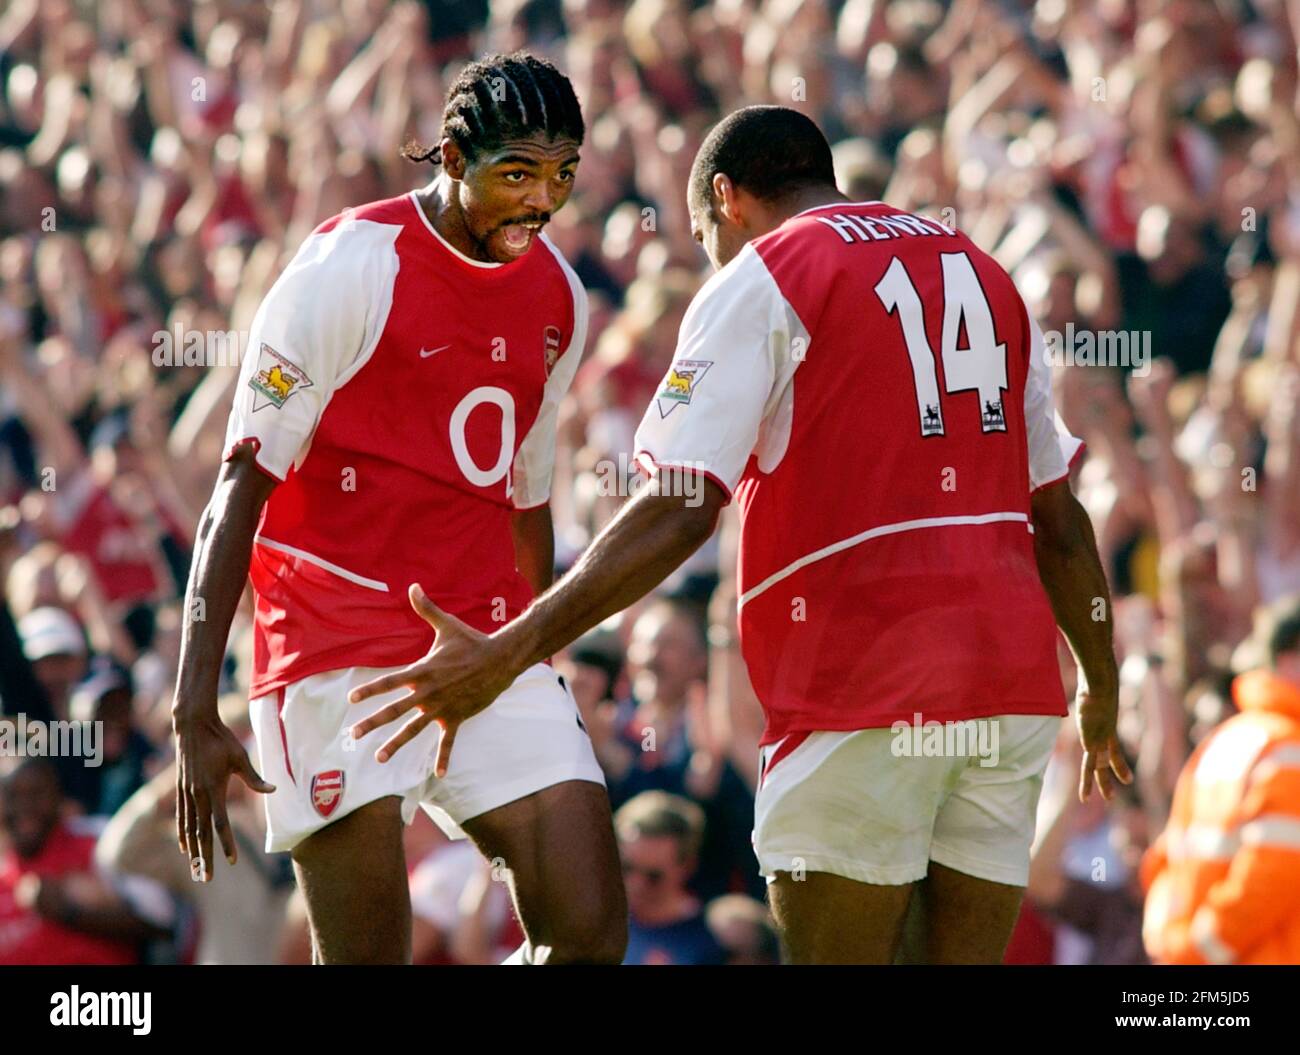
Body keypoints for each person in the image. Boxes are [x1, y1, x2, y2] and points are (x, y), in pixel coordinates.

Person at [350, 105, 1131, 964]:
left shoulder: (769, 270)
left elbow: (682, 503)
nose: (711, 257)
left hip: (858, 687)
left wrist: (506, 651)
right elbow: (1058, 519)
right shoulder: (984, 271)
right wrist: (1100, 683)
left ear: (727, 199)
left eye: (701, 235)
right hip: (1005, 693)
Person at [172, 52, 625, 965]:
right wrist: (192, 709)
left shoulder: (561, 300)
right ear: (451, 159)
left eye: (563, 175)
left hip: (483, 639)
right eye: (517, 172)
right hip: (334, 648)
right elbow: (239, 489)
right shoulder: (346, 267)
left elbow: (524, 503)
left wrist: (532, 659)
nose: (543, 199)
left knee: (588, 934)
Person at [1141, 596, 1300, 964]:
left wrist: (1176, 945)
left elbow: (1165, 861)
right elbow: (1270, 880)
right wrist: (1198, 950)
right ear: (1290, 661)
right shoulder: (1288, 750)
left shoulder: (1219, 742)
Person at [616, 791, 724, 965]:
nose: (634, 883)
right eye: (625, 868)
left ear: (688, 866)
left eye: (654, 876)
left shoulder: (713, 942)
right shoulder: (590, 924)